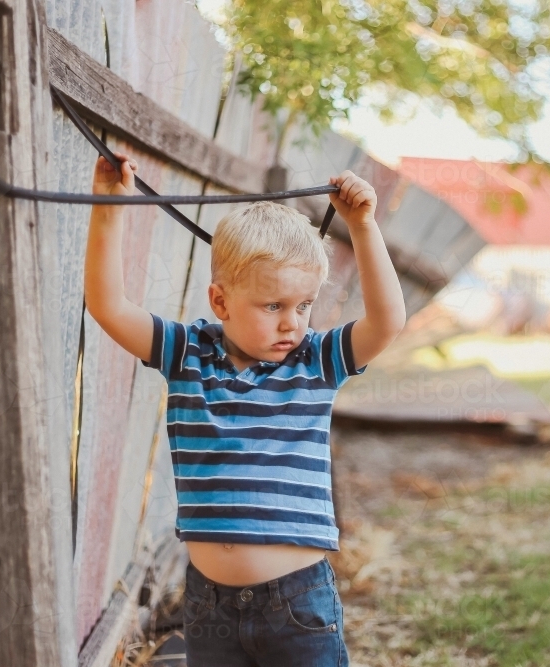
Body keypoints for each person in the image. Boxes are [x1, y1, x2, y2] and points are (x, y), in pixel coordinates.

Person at [84, 152, 406, 666]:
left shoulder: (317, 361)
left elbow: (387, 321)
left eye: (303, 305)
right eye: (273, 306)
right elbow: (108, 304)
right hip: (209, 606)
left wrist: (362, 227)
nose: (291, 324)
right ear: (221, 301)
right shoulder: (186, 354)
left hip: (297, 604)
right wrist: (109, 203)